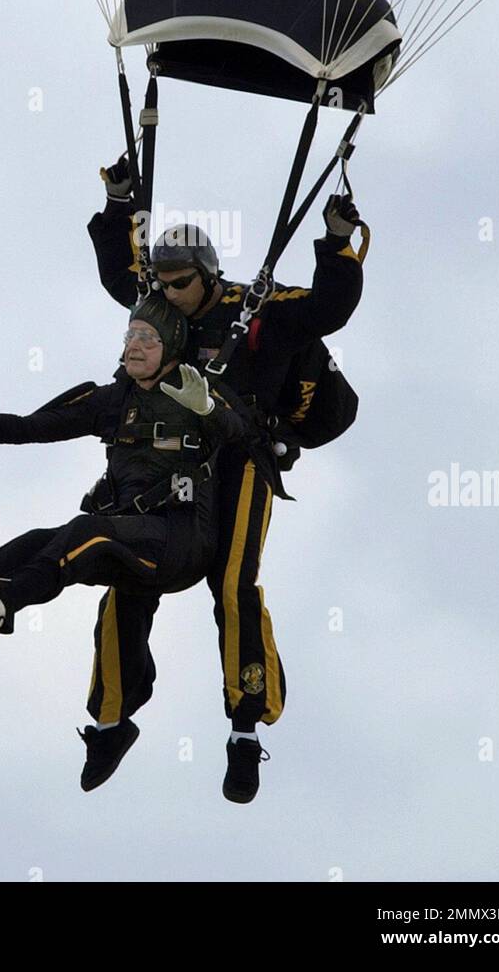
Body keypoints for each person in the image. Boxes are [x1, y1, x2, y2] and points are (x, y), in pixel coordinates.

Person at [87, 155, 366, 802]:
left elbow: (329, 306)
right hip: (172, 462)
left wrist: (336, 242)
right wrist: (120, 200)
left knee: (234, 582)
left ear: (208, 278)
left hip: (242, 458)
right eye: (161, 283)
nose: (166, 296)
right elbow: (117, 271)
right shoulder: (161, 304)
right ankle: (111, 715)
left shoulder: (259, 307)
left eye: (180, 283)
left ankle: (245, 728)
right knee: (125, 574)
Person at [0, 294, 251, 793]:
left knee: (84, 532)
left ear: (170, 345)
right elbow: (28, 429)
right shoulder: (113, 399)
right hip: (132, 537)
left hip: (179, 543)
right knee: (39, 541)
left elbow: (242, 435)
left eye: (145, 338)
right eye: (129, 335)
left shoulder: (199, 389)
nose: (133, 345)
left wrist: (209, 409)